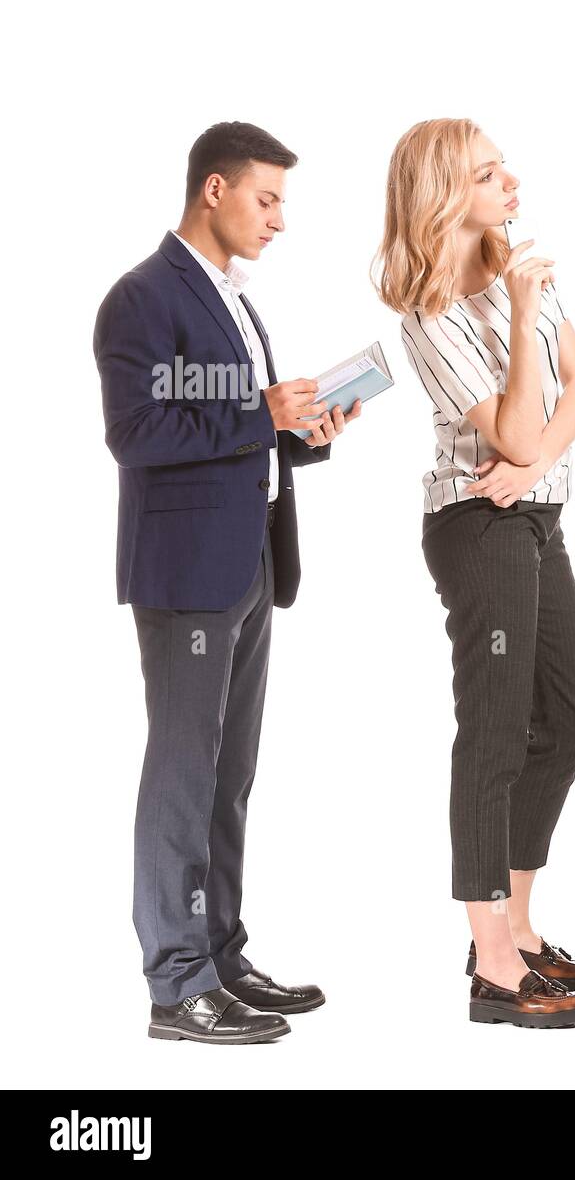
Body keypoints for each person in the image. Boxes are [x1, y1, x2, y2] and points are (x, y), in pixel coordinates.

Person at [93, 121, 362, 1043]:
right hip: (184, 573)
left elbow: (244, 439)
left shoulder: (239, 302)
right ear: (215, 189)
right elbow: (137, 434)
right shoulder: (141, 298)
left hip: (250, 560)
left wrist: (302, 434)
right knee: (182, 772)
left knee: (228, 775)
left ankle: (219, 952)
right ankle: (176, 984)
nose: (279, 219)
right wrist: (259, 412)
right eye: (267, 198)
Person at [375, 119, 575, 1028]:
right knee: (498, 729)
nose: (510, 182)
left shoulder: (526, 271)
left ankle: (514, 921)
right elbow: (503, 431)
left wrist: (534, 460)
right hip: (477, 524)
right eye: (486, 174)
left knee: (572, 719)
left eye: (505, 168)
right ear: (443, 195)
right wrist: (513, 319)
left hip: (536, 514)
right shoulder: (427, 313)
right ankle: (493, 960)